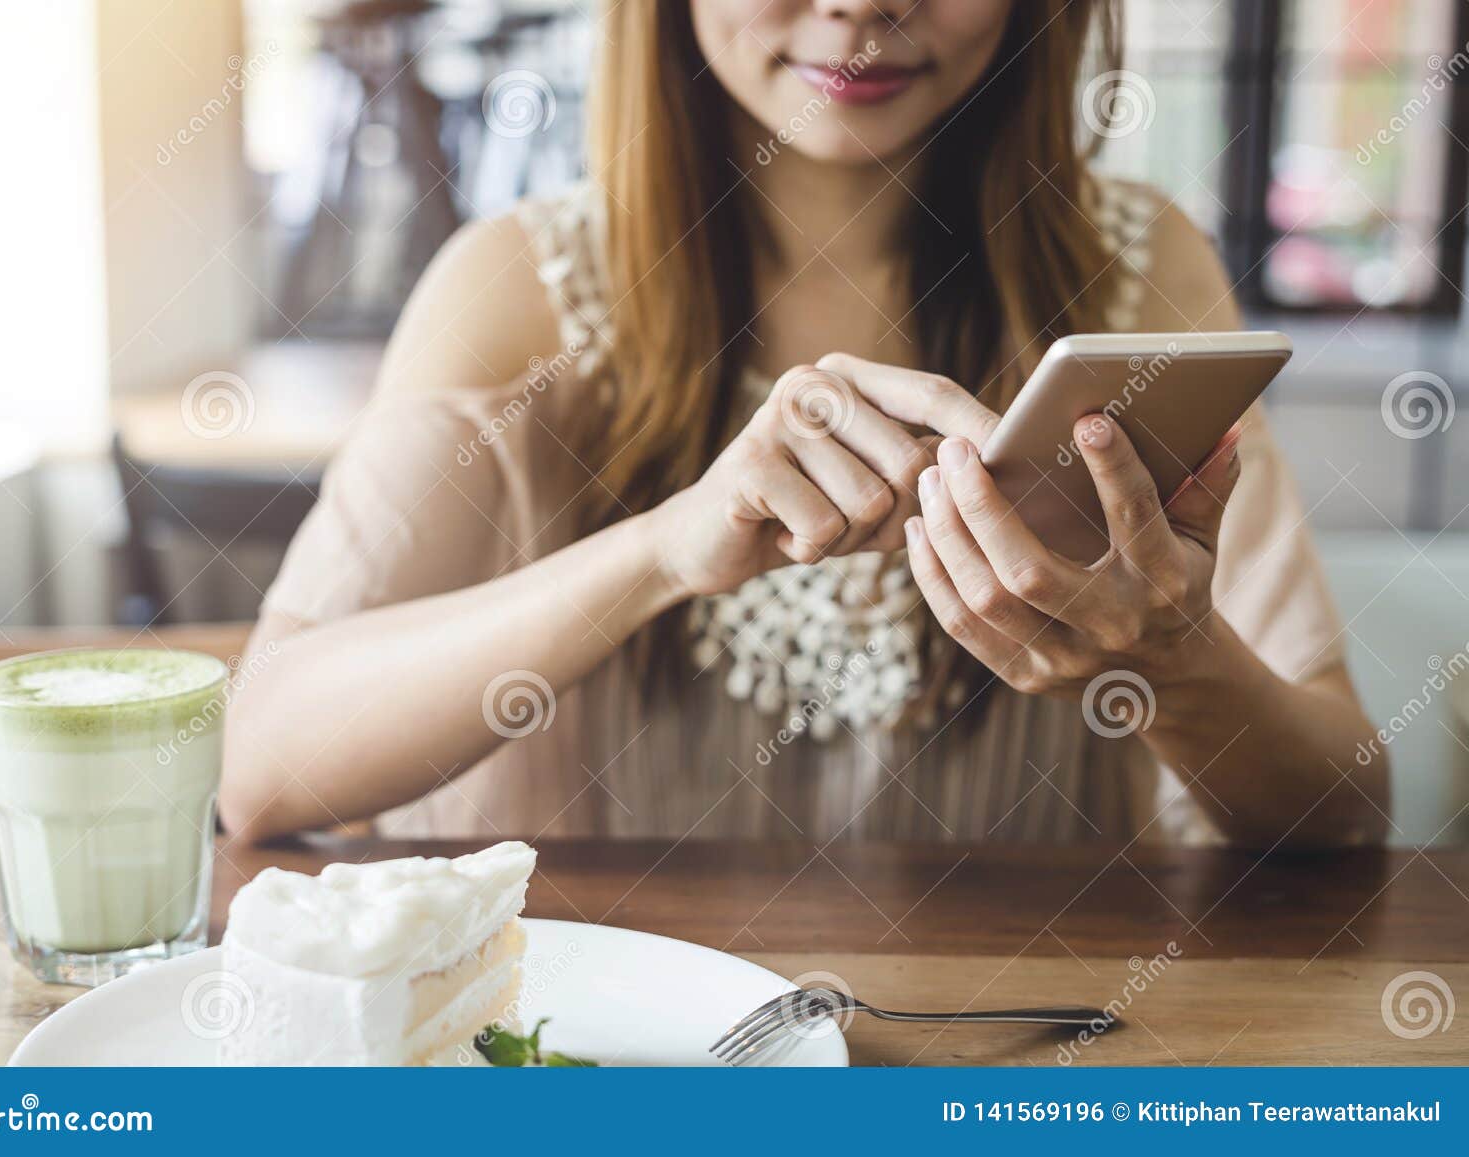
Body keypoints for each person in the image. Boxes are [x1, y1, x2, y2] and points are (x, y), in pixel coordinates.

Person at [221, 0, 1388, 848]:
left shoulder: (1139, 274)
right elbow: (259, 771)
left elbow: (1345, 816)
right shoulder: (513, 290)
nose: (860, 8)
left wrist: (1174, 665)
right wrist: (661, 549)